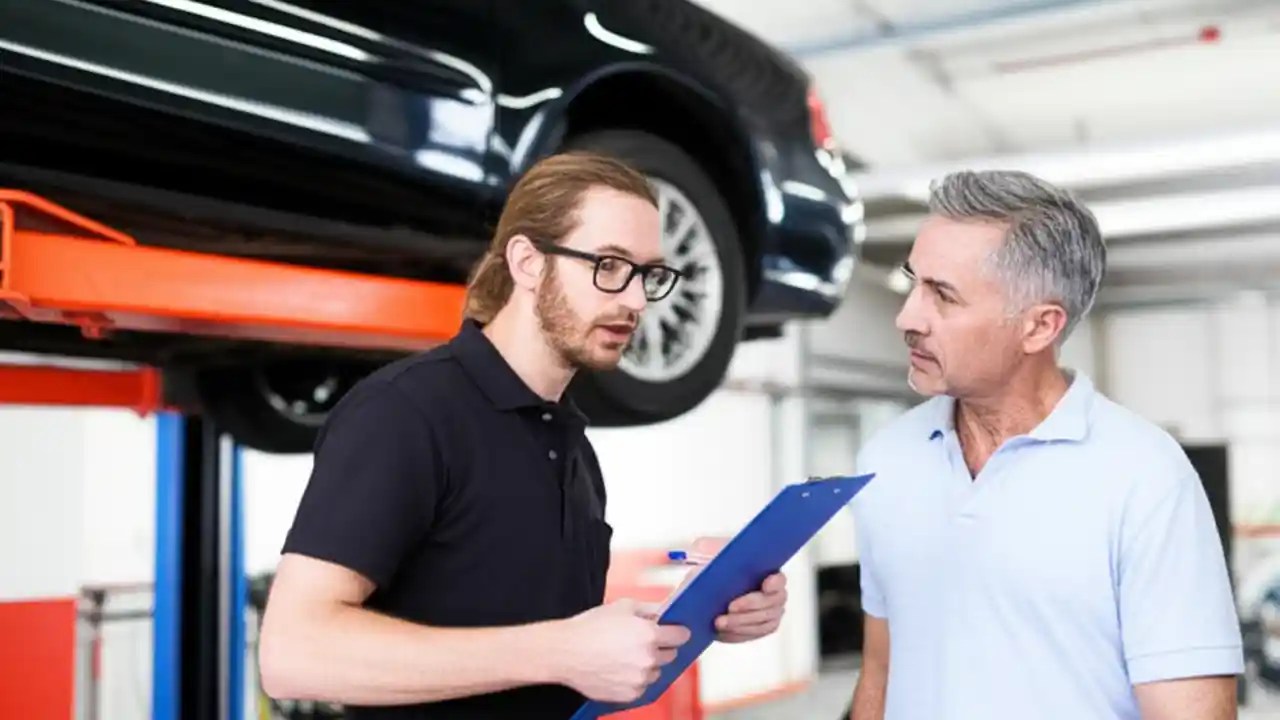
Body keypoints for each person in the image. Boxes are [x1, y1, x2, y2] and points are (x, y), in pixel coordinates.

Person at [256, 151, 788, 720]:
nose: (635, 300)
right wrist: (559, 653)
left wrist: (700, 615)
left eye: (648, 275)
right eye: (609, 265)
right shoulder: (407, 412)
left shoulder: (572, 446)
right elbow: (293, 653)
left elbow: (546, 660)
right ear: (528, 262)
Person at [846, 170, 1244, 720]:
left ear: (1039, 327)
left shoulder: (1145, 475)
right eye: (913, 281)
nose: (907, 317)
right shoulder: (885, 461)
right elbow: (883, 673)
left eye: (943, 295)